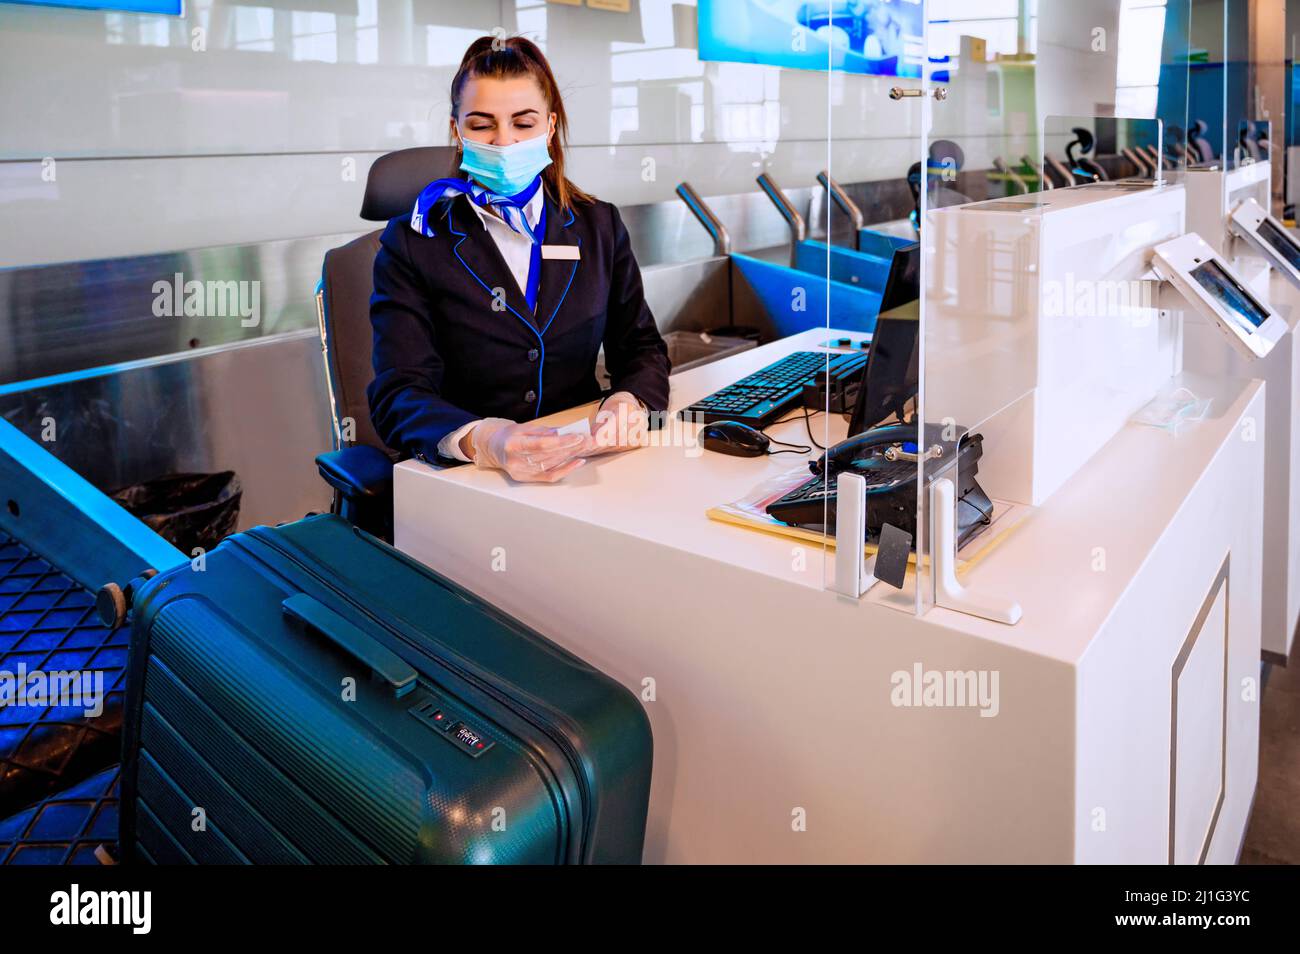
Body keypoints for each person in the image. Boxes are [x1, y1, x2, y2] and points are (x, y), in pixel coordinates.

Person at [368, 35, 671, 483]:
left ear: (549, 127)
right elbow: (398, 392)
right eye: (482, 124)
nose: (504, 141)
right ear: (457, 131)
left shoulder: (598, 226)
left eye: (523, 124)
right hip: (473, 478)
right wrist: (484, 440)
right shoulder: (413, 242)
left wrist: (629, 401)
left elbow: (642, 349)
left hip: (588, 469)